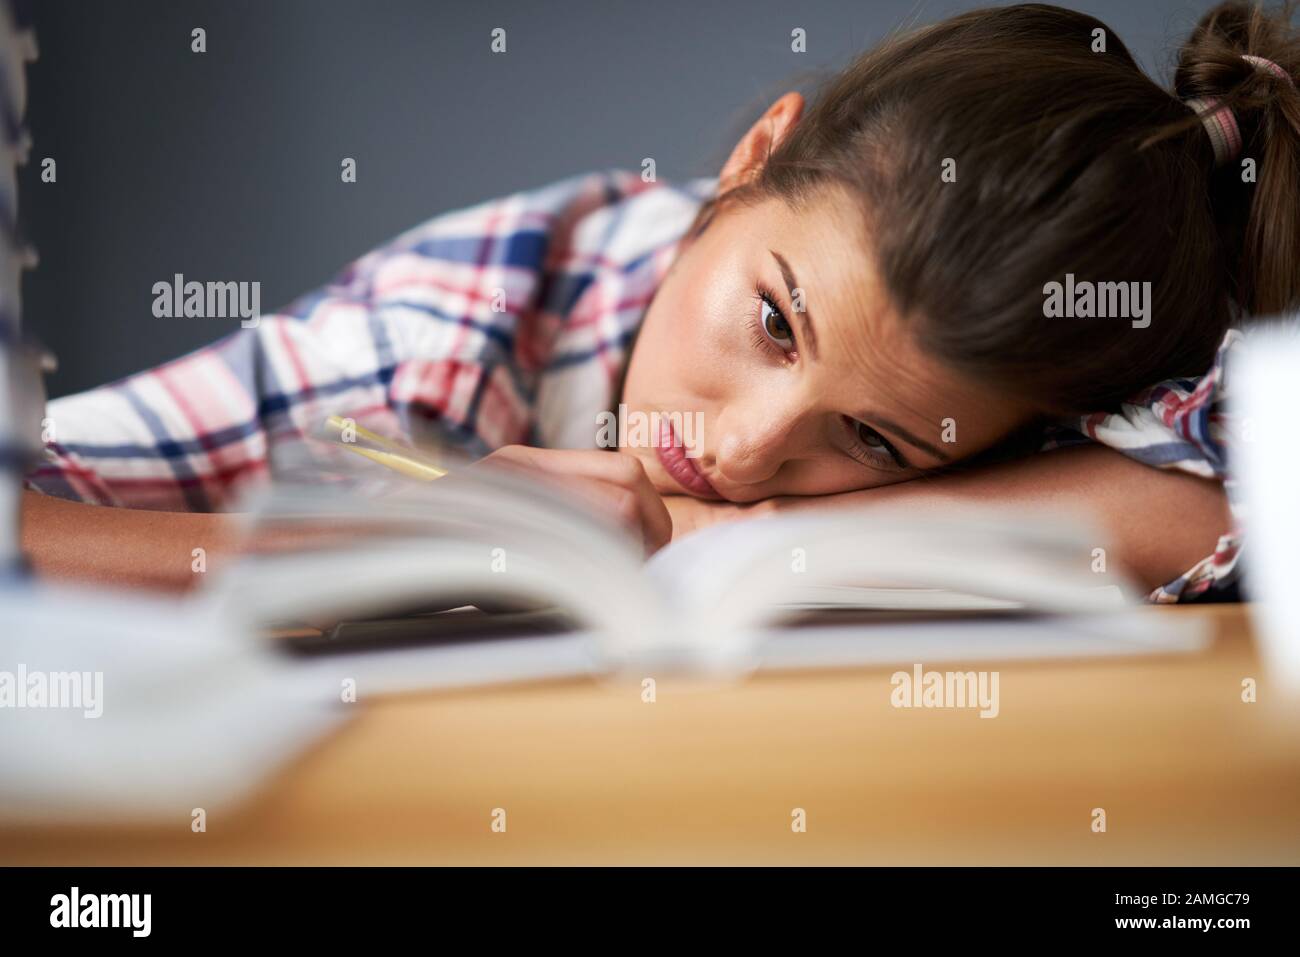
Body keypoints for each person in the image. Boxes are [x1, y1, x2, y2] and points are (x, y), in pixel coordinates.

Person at [23, 3, 1298, 600]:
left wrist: (701, 545)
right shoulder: (452, 332)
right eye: (773, 323)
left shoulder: (1055, 385)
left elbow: (1226, 499)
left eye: (872, 439)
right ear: (754, 158)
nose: (744, 449)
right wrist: (370, 550)